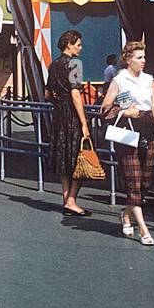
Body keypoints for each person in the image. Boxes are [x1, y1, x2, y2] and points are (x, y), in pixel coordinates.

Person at [101, 41, 154, 245]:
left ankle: (126, 213)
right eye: (139, 57)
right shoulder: (119, 80)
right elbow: (104, 108)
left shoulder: (148, 79)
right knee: (133, 181)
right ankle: (144, 229)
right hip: (128, 133)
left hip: (148, 130)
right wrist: (123, 111)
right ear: (128, 60)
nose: (143, 60)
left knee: (145, 181)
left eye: (144, 57)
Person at [47, 29, 93, 217]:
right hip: (72, 115)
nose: (81, 48)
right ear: (69, 44)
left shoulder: (53, 65)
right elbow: (76, 94)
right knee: (79, 156)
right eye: (78, 44)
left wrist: (59, 102)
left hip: (59, 113)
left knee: (63, 156)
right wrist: (84, 122)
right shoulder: (75, 64)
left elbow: (47, 94)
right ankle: (72, 201)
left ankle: (66, 200)